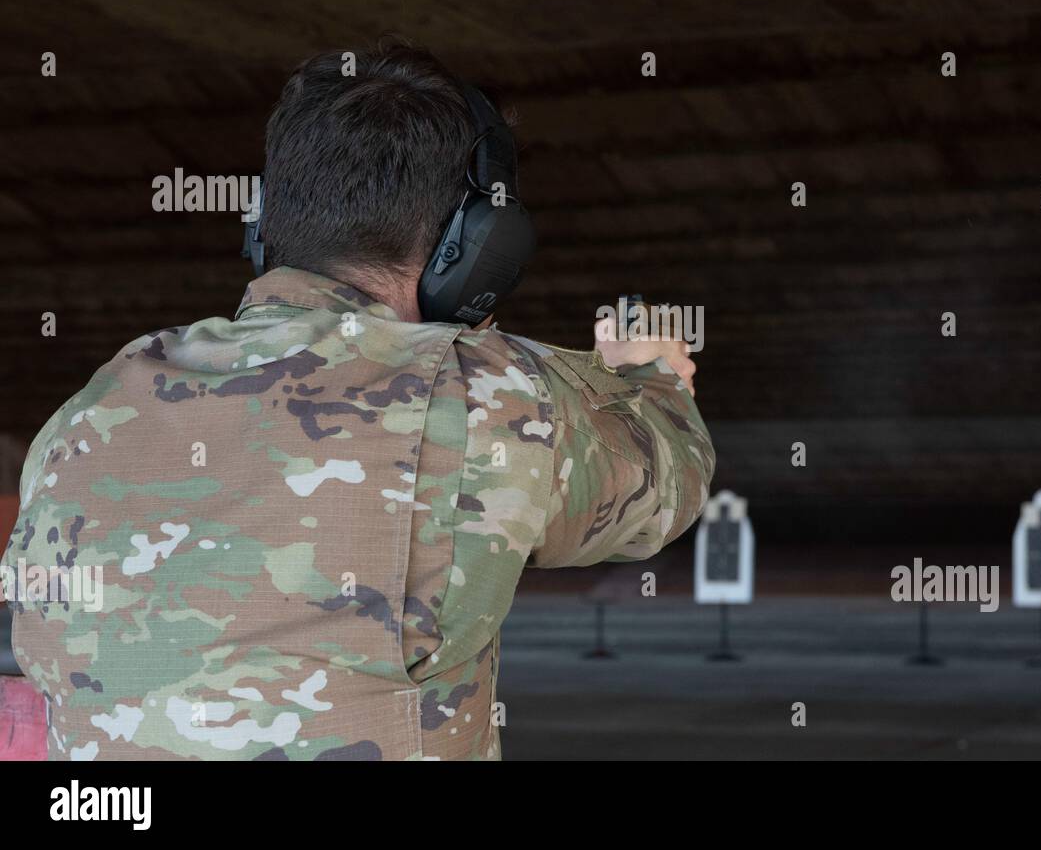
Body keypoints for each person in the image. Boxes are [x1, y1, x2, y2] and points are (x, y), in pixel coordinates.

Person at [0, 39, 715, 760]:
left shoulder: (85, 414)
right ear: (476, 248)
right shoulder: (484, 397)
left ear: (263, 222)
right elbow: (666, 486)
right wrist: (651, 372)